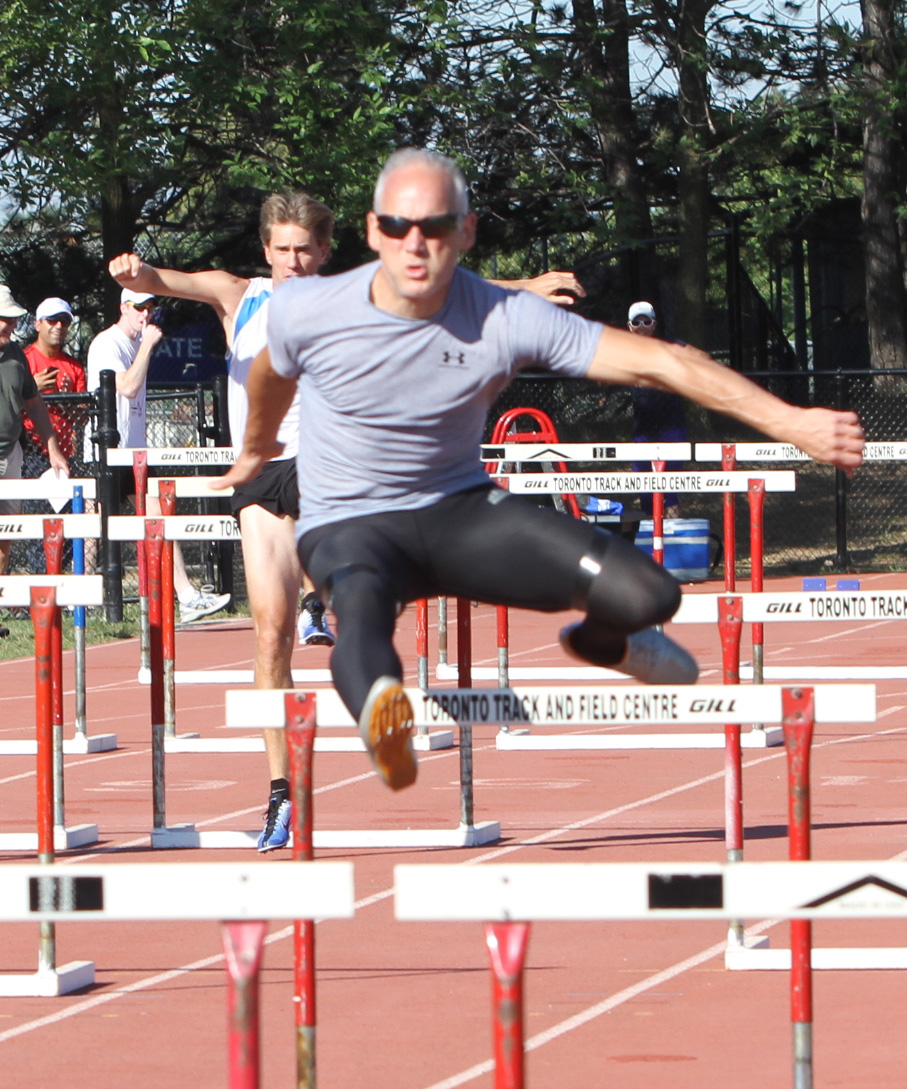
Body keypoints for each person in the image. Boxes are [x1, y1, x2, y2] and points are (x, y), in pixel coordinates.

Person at [218, 148, 865, 796]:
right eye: (397, 227)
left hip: (458, 512)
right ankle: (385, 720)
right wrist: (257, 444)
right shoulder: (315, 308)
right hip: (353, 522)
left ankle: (604, 641)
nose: (415, 245)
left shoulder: (504, 317)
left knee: (651, 596)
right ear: (371, 231)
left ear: (466, 233)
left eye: (436, 227)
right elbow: (271, 371)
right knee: (358, 610)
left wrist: (789, 422)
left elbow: (662, 364)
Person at [108, 193, 587, 851]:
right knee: (269, 634)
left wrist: (527, 287)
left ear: (325, 251)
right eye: (283, 249)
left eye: (306, 249)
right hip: (260, 474)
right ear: (267, 249)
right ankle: (282, 792)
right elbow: (162, 281)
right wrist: (135, 274)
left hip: (331, 466)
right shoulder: (236, 294)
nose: (294, 262)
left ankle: (338, 611)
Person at [86, 289, 231, 624]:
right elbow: (127, 387)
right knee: (96, 526)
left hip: (134, 451)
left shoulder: (138, 344)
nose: (146, 314)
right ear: (123, 308)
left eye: (151, 307)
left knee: (158, 515)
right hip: (106, 450)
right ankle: (84, 595)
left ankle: (185, 595)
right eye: (139, 308)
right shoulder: (107, 344)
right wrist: (149, 346)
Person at [0, 285, 70, 581]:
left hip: (10, 453)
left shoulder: (16, 352)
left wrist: (53, 448)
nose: (13, 324)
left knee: (7, 532)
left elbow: (33, 402)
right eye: (6, 318)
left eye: (14, 318)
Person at [22, 297, 89, 572]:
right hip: (31, 450)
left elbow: (84, 415)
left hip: (63, 455)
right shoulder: (24, 361)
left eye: (64, 321)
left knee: (65, 521)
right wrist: (32, 386)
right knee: (37, 521)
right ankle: (39, 586)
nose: (59, 326)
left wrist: (65, 400)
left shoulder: (73, 367)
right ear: (38, 324)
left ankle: (59, 582)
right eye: (52, 320)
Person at [627, 300, 687, 522]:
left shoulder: (671, 348)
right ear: (629, 326)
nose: (642, 327)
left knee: (669, 489)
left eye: (646, 321)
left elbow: (700, 359)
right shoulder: (622, 352)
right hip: (643, 431)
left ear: (654, 324)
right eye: (637, 322)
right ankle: (651, 539)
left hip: (671, 430)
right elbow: (601, 378)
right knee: (644, 485)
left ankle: (673, 539)